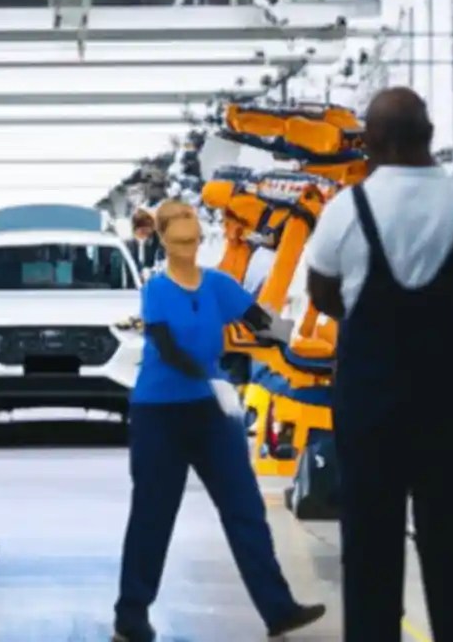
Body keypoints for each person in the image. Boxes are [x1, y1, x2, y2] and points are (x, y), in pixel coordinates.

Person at [303, 87, 453, 642]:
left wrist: (367, 324)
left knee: (369, 559)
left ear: (368, 143)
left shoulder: (346, 210)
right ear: (430, 137)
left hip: (368, 410)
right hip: (446, 405)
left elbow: (319, 292)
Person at [113, 199, 325, 642]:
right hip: (161, 415)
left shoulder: (218, 285)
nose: (189, 250)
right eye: (180, 241)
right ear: (164, 240)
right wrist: (212, 382)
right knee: (154, 514)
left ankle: (279, 609)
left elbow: (261, 322)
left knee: (244, 508)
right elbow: (169, 349)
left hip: (212, 416)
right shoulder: (157, 289)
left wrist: (304, 344)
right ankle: (131, 616)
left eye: (194, 241)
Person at [125, 209, 164, 274]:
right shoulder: (131, 244)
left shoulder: (157, 242)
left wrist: (150, 271)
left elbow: (162, 262)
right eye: (141, 230)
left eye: (145, 229)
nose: (143, 233)